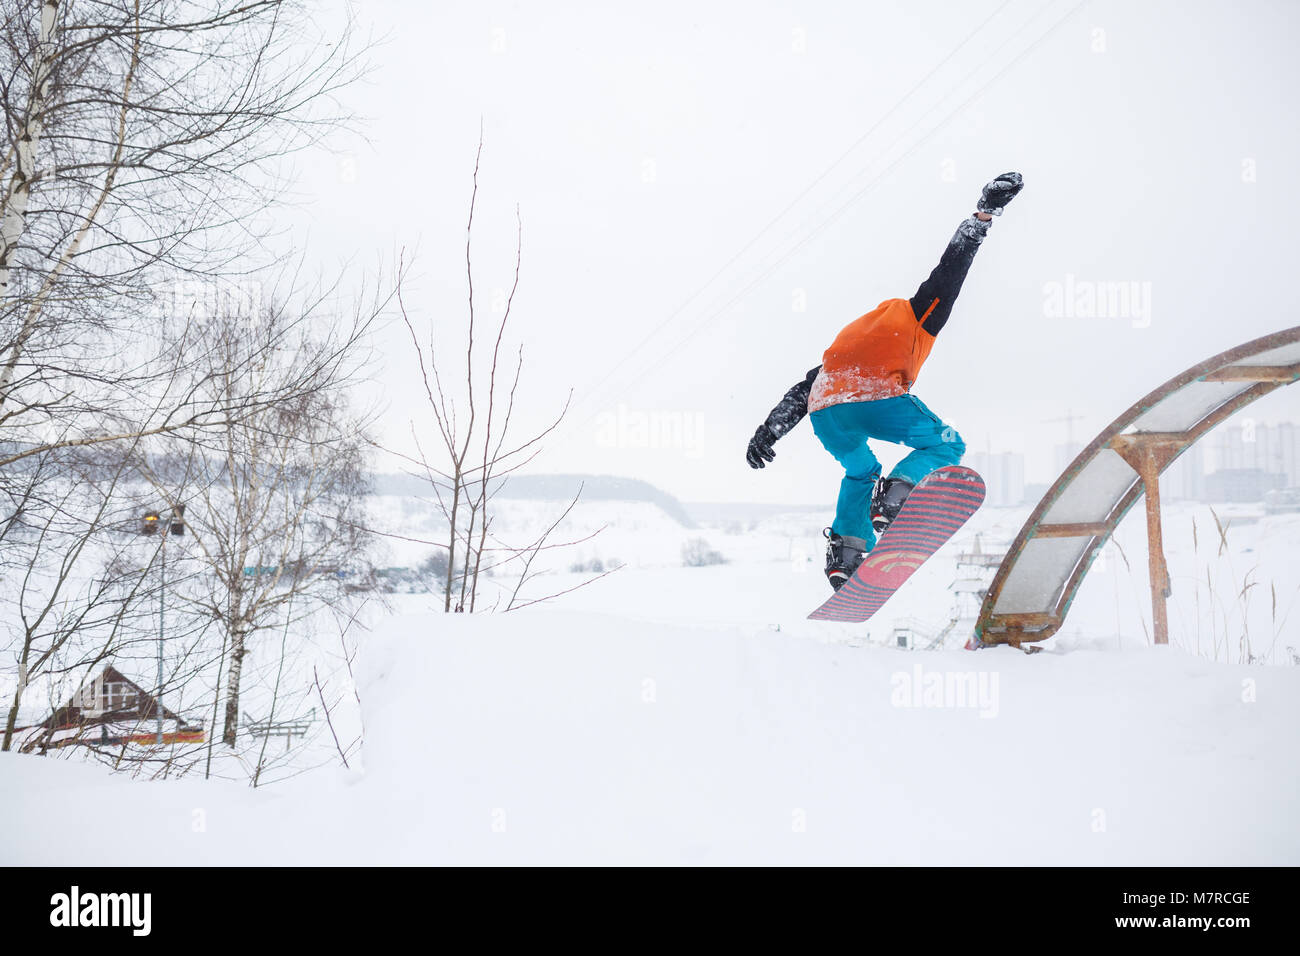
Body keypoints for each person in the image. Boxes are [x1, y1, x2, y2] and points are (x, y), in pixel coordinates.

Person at [745, 172, 1024, 590]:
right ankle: (898, 492)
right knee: (947, 444)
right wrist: (983, 214)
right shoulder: (918, 317)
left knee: (860, 470)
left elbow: (801, 392)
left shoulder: (842, 353)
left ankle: (848, 551)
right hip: (876, 397)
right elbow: (950, 271)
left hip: (825, 411)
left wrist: (767, 433)